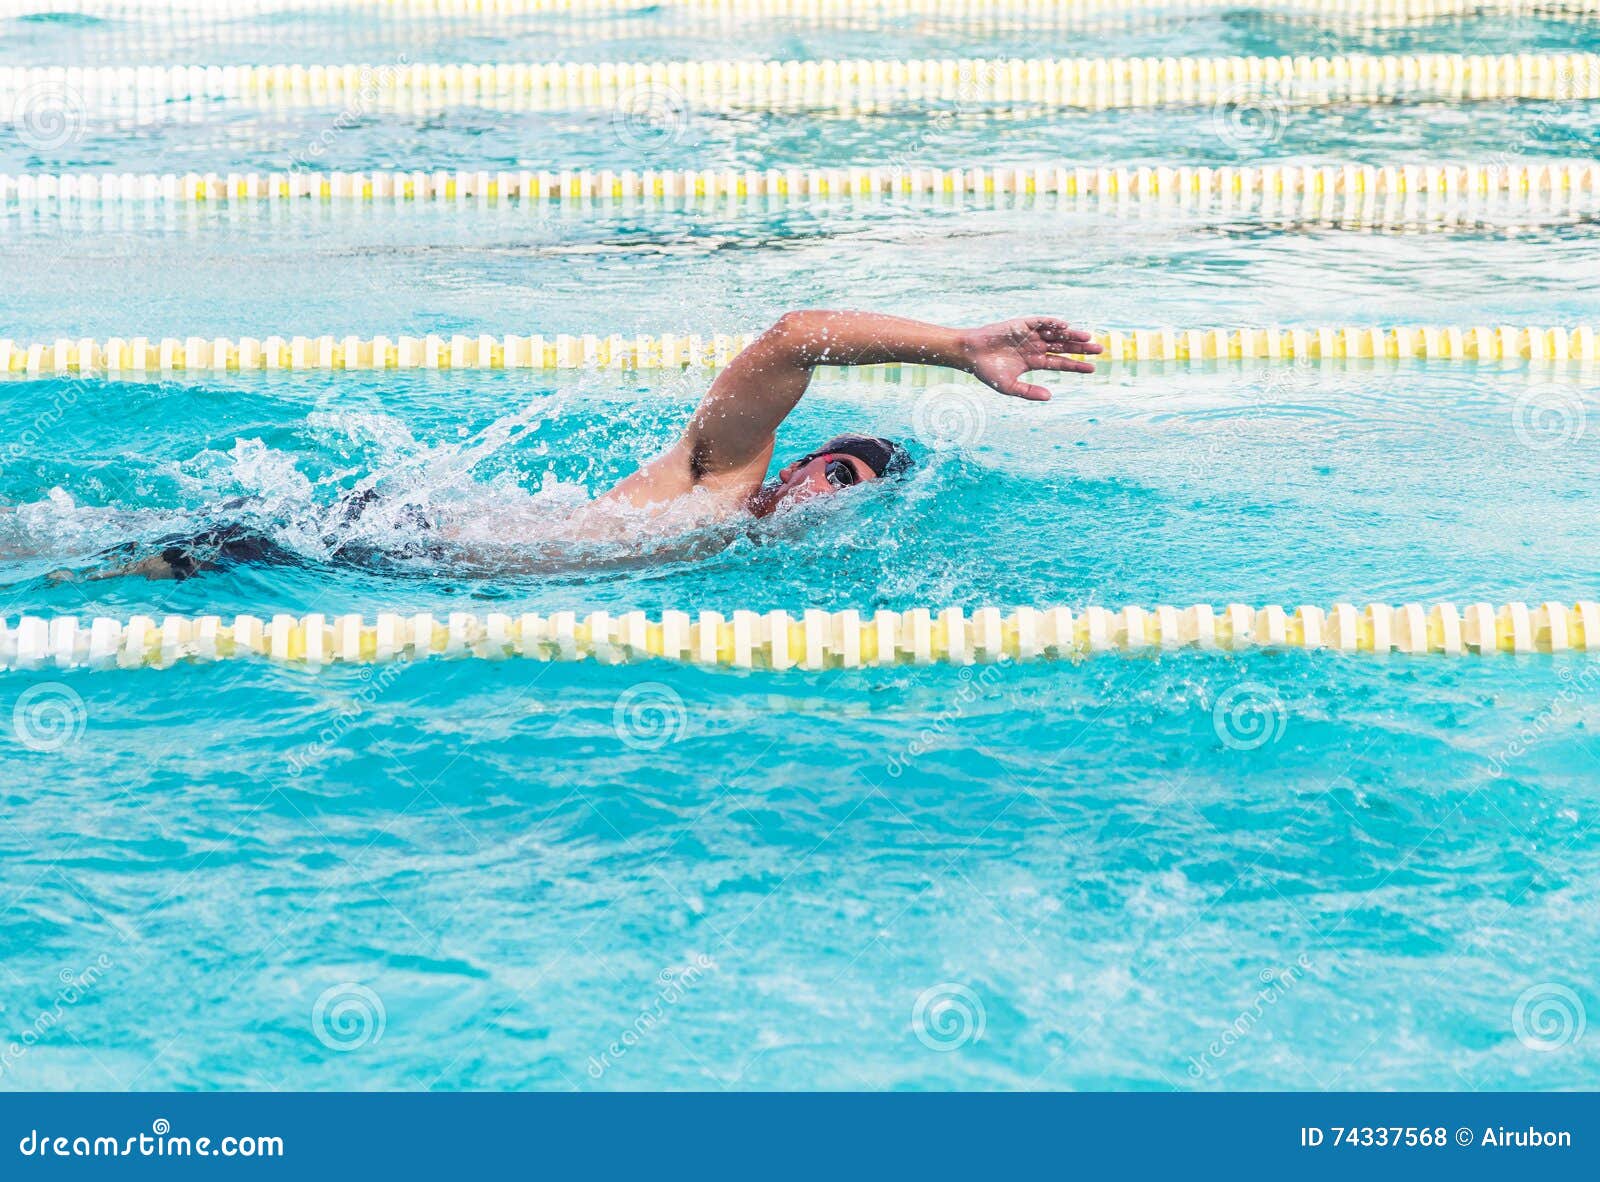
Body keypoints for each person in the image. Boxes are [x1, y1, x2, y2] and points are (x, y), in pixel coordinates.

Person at [69, 311, 1102, 580]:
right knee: (71, 562)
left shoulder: (737, 556)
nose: (827, 494)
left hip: (373, 564)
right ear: (794, 462)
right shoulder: (716, 483)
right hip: (348, 547)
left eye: (851, 491)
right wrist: (960, 347)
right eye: (834, 467)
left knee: (71, 546)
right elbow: (796, 339)